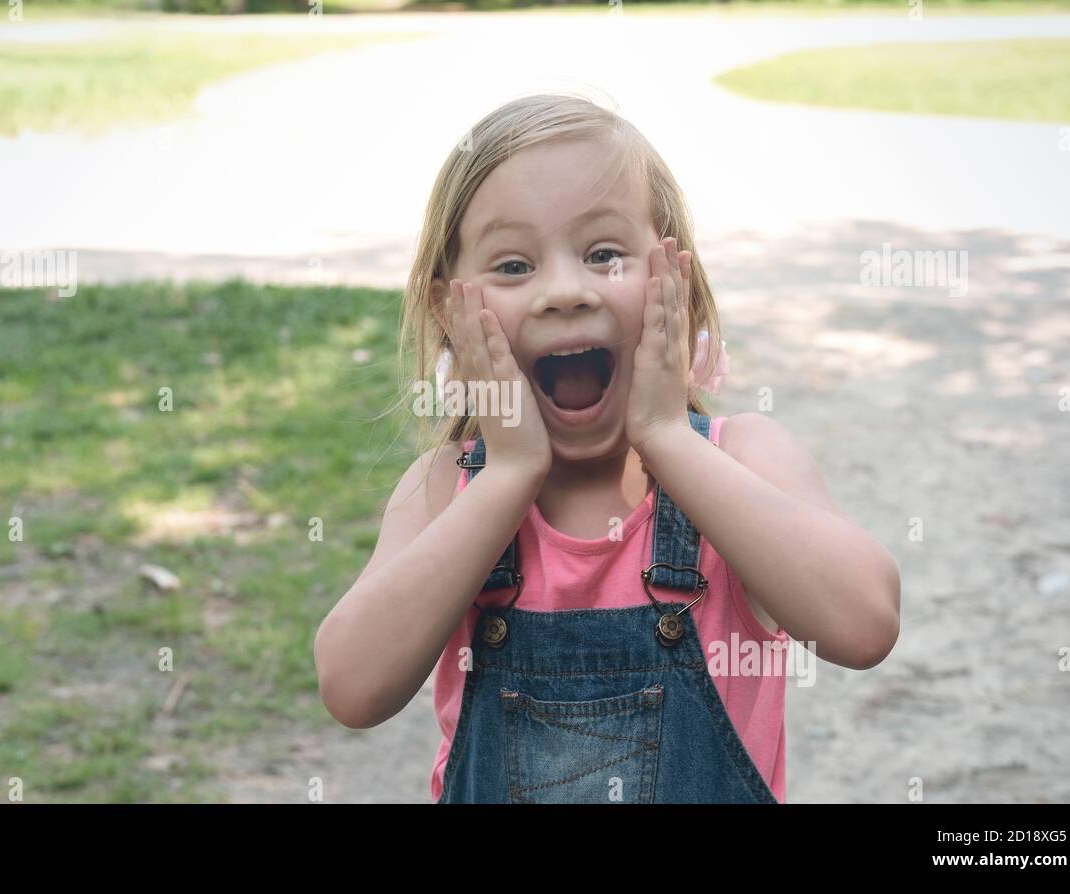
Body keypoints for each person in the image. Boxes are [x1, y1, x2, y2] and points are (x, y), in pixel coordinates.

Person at [314, 93, 901, 803]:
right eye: (512, 266)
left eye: (603, 253)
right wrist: (507, 478)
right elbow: (351, 687)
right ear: (450, 311)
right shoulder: (445, 491)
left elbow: (864, 625)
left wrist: (667, 443)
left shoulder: (742, 457)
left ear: (673, 280)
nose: (564, 291)